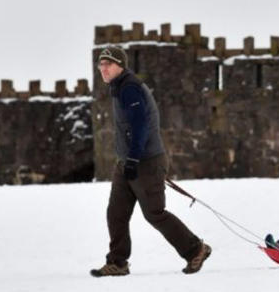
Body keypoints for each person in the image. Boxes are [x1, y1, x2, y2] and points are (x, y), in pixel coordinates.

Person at [90, 46, 211, 277]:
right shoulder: (118, 87)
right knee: (116, 213)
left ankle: (196, 249)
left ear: (120, 66)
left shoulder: (130, 88)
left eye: (108, 64)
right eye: (100, 65)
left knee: (154, 213)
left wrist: (134, 158)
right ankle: (118, 262)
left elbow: (140, 126)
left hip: (145, 161)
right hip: (127, 161)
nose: (103, 69)